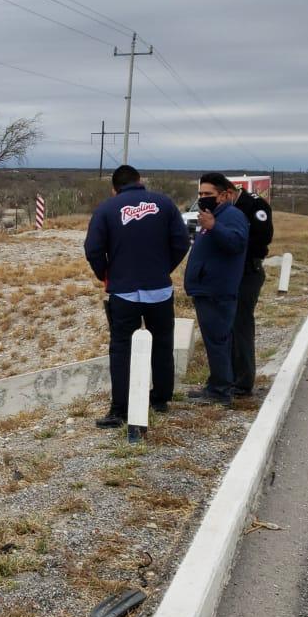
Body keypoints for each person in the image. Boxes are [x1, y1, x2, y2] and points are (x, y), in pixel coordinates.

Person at [84, 165, 190, 428]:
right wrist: (163, 268)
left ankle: (120, 409)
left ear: (114, 188)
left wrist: (105, 275)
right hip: (160, 290)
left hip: (123, 292)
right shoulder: (165, 204)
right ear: (140, 181)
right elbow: (181, 242)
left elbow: (93, 248)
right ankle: (161, 399)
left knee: (121, 349)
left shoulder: (106, 209)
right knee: (162, 344)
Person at [184, 173, 250, 405]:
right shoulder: (211, 216)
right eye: (200, 193)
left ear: (224, 195)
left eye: (208, 194)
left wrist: (214, 227)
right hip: (206, 289)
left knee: (218, 340)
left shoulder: (232, 216)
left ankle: (220, 391)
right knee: (215, 340)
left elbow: (237, 243)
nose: (203, 197)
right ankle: (217, 384)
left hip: (217, 290)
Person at [224, 186, 274, 397]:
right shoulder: (228, 208)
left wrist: (234, 243)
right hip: (231, 273)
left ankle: (243, 382)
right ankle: (228, 376)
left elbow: (263, 238)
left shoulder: (255, 205)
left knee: (241, 324)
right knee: (228, 326)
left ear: (228, 192)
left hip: (247, 271)